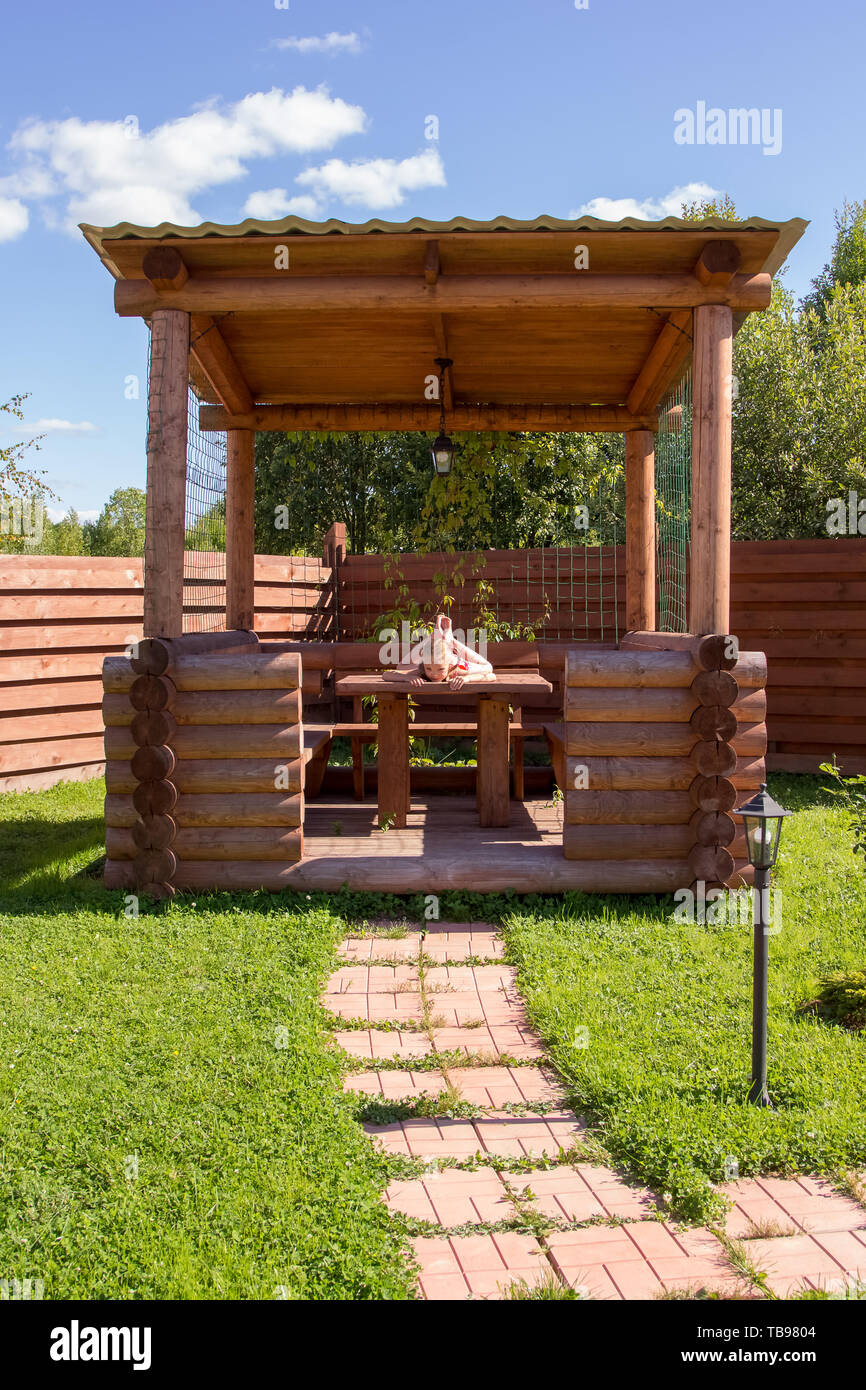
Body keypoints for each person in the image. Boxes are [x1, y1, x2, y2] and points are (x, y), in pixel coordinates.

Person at [389, 613, 495, 689]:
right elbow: (387, 674)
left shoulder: (456, 669)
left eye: (440, 669)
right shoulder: (422, 669)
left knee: (488, 667)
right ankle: (435, 638)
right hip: (434, 656)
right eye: (429, 669)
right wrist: (407, 678)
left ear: (449, 666)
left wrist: (467, 678)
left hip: (454, 658)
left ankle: (450, 640)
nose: (434, 675)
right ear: (424, 664)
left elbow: (491, 674)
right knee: (401, 667)